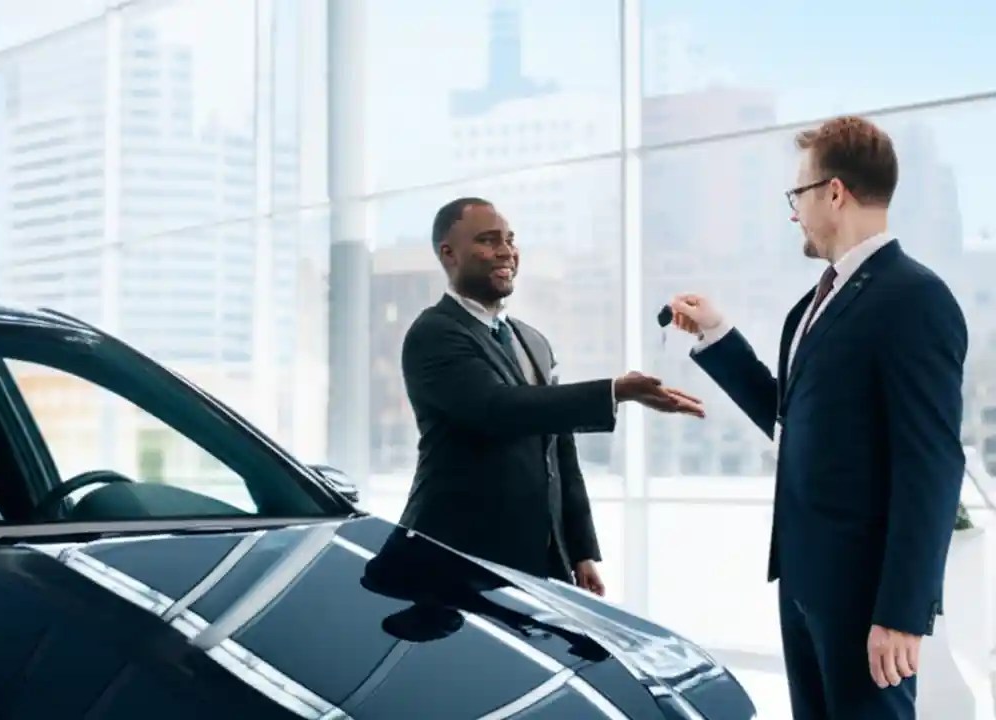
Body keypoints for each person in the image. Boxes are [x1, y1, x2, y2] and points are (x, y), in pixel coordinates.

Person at [668, 116, 967, 719]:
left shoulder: (916, 298)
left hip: (866, 599)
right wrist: (719, 337)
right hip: (806, 581)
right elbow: (795, 418)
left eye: (796, 195)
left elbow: (931, 464)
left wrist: (902, 614)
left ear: (834, 192)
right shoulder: (812, 304)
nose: (792, 213)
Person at [399, 197, 704, 594]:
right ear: (449, 253)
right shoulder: (434, 334)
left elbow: (560, 451)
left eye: (510, 240)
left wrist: (579, 551)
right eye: (489, 241)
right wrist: (615, 391)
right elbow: (497, 410)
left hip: (537, 561)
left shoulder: (532, 340)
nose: (506, 251)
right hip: (456, 558)